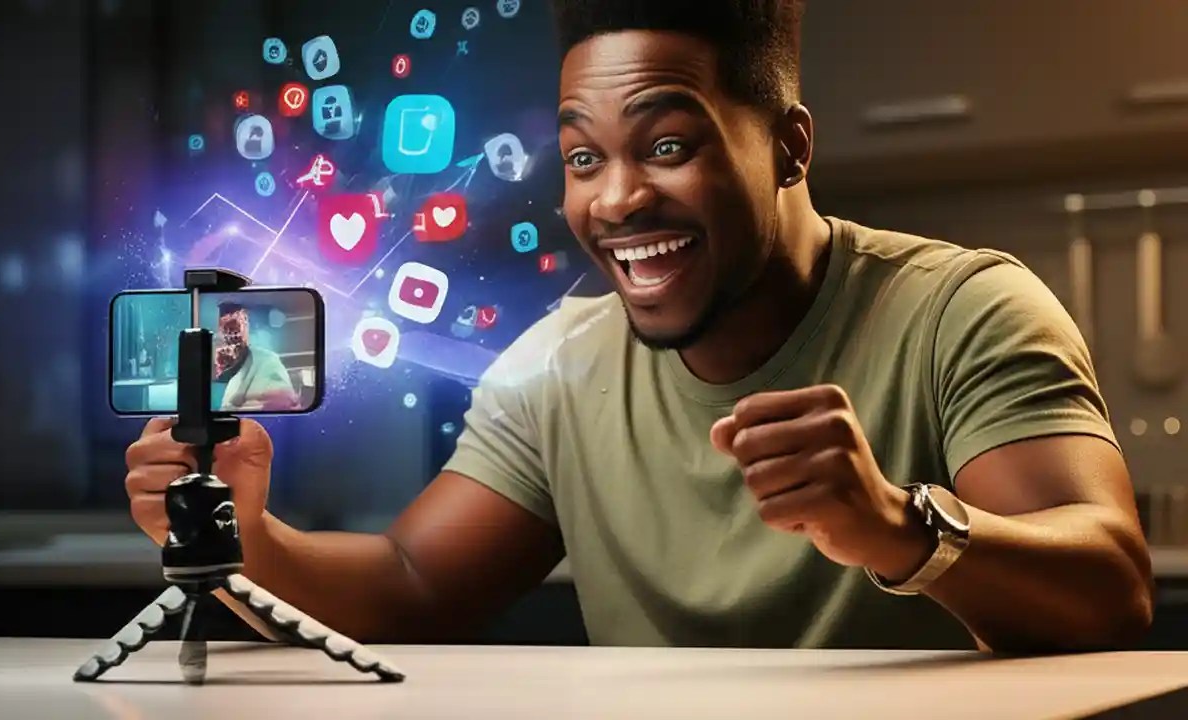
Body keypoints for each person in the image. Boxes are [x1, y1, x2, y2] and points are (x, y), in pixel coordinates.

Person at [126, 0, 1153, 651]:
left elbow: (1108, 588)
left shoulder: (964, 309)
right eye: (582, 159)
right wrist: (245, 536)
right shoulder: (557, 366)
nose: (614, 200)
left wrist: (894, 527)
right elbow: (410, 587)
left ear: (788, 147)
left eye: (665, 145)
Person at [213, 302, 299, 412]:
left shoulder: (266, 361)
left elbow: (281, 404)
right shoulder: (217, 369)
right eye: (226, 330)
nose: (232, 336)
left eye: (237, 326)